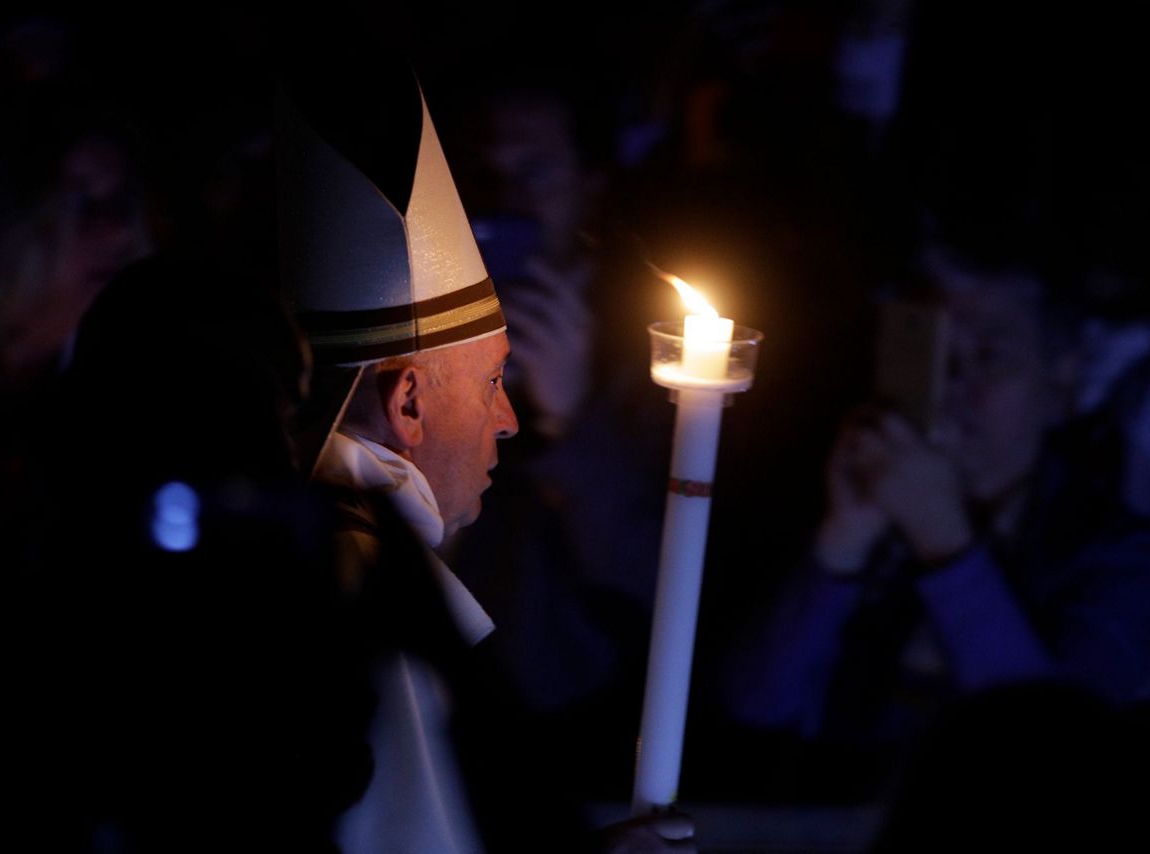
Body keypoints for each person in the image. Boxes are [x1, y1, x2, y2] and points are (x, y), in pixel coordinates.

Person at [277, 33, 694, 853]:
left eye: (534, 168)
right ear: (407, 400)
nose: (508, 419)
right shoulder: (385, 647)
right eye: (491, 384)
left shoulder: (292, 541)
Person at [721, 241, 1150, 797]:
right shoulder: (868, 521)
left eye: (989, 357)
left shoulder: (1121, 555)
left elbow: (1051, 756)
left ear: (1061, 381)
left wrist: (944, 541)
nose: (955, 386)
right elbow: (754, 708)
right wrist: (841, 543)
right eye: (935, 354)